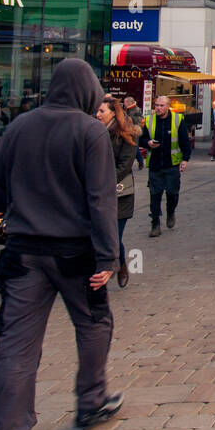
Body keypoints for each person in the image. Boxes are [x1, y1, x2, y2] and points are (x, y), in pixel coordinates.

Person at [0, 58, 121, 430]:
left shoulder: (19, 125)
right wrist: (109, 256)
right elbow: (101, 200)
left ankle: (12, 428)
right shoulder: (89, 131)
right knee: (95, 325)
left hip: (23, 251)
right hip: (75, 252)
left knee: (15, 344)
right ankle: (91, 401)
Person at [97, 98, 138, 288]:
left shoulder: (125, 134)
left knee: (114, 236)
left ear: (113, 113)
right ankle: (105, 269)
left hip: (119, 193)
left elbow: (125, 165)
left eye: (101, 111)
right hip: (97, 192)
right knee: (101, 235)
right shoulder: (94, 133)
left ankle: (119, 266)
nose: (97, 115)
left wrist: (104, 181)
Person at [139, 96, 191, 237]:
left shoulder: (177, 119)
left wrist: (185, 159)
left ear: (168, 106)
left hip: (172, 164)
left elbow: (184, 140)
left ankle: (170, 212)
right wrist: (148, 142)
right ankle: (155, 224)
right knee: (154, 195)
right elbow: (141, 138)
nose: (158, 108)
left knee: (172, 193)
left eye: (161, 105)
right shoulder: (149, 120)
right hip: (155, 164)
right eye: (156, 105)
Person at [123, 95, 145, 169]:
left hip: (135, 131)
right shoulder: (127, 109)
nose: (124, 103)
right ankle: (128, 166)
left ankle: (140, 161)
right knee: (129, 148)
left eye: (125, 102)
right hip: (128, 131)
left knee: (135, 148)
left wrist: (128, 119)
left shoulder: (136, 110)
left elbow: (139, 121)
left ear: (129, 103)